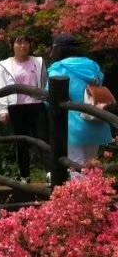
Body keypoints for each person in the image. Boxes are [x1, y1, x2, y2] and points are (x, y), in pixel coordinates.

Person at [48, 33, 115, 169]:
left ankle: (79, 191)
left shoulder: (58, 68)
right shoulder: (92, 66)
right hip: (96, 119)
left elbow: (50, 95)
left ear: (58, 49)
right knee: (91, 165)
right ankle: (92, 190)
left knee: (75, 165)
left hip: (72, 123)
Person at [0, 34, 46, 182]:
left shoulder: (38, 62)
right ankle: (25, 175)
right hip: (16, 107)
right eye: (19, 43)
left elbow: (44, 82)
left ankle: (50, 173)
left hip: (37, 105)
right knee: (21, 142)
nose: (23, 46)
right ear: (12, 45)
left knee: (43, 139)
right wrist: (3, 110)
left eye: (26, 42)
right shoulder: (5, 65)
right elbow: (0, 88)